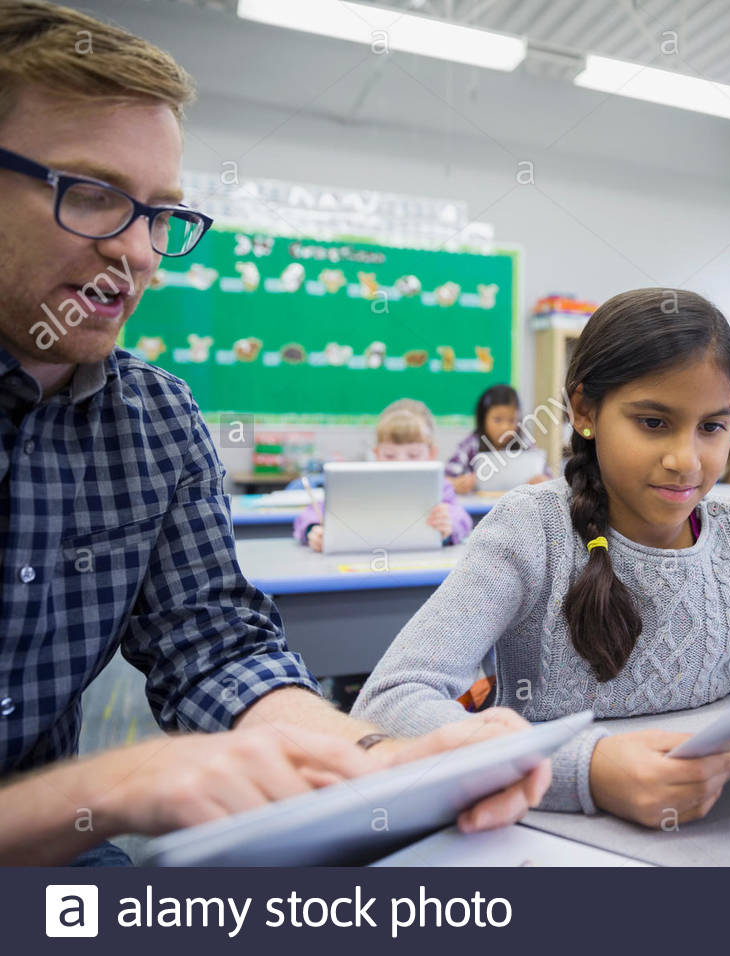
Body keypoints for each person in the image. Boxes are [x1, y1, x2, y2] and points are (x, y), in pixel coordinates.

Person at [0, 1, 545, 865]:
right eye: (94, 195)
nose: (139, 252)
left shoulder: (159, 421)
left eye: (160, 214)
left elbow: (213, 648)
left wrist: (377, 762)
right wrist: (101, 790)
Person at [353, 289, 730, 827]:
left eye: (712, 427)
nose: (687, 459)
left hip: (723, 833)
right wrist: (583, 771)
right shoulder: (533, 529)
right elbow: (391, 699)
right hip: (546, 841)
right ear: (585, 412)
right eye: (653, 422)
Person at [294, 401, 472, 551]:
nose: (401, 463)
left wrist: (449, 526)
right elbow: (309, 514)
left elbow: (462, 519)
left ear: (432, 453)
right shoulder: (362, 484)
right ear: (376, 454)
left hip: (416, 563)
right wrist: (313, 530)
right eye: (389, 455)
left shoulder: (439, 488)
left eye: (414, 454)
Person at [446, 383, 550, 495]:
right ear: (483, 418)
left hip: (518, 509)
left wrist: (543, 482)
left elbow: (549, 479)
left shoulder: (525, 444)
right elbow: (445, 480)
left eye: (511, 420)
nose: (505, 427)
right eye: (497, 420)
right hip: (478, 510)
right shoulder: (471, 446)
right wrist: (455, 483)